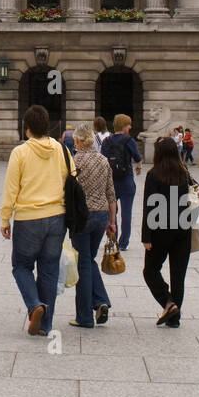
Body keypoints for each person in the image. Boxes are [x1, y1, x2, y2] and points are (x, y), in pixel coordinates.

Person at [0, 104, 73, 337]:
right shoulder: (62, 150)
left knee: (21, 266)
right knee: (49, 270)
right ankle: (45, 325)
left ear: (27, 128)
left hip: (29, 218)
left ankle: (34, 305)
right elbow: (72, 179)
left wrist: (5, 218)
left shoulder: (20, 152)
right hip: (57, 217)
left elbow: (11, 188)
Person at [142, 136, 196, 326]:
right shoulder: (184, 172)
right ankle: (174, 319)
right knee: (178, 275)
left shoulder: (154, 174)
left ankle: (168, 303)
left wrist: (146, 237)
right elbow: (197, 197)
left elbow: (149, 207)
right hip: (183, 229)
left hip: (160, 230)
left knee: (150, 271)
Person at [68, 124, 116, 328]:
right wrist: (112, 222)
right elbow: (111, 193)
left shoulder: (75, 162)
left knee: (83, 263)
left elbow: (68, 193)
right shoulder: (103, 160)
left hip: (82, 217)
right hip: (102, 216)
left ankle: (85, 316)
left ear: (78, 141)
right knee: (89, 259)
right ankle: (100, 301)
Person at [103, 114, 142, 252]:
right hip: (126, 181)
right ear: (124, 126)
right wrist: (139, 166)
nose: (130, 127)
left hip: (111, 182)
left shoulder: (107, 141)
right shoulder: (129, 141)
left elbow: (103, 160)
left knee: (112, 214)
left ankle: (113, 239)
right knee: (126, 213)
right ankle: (124, 242)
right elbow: (137, 157)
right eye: (129, 124)